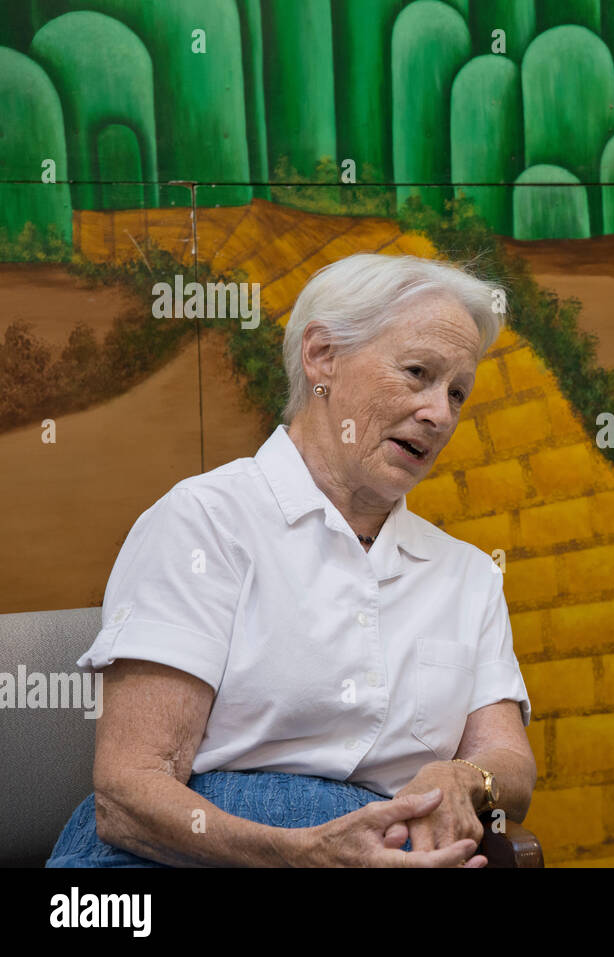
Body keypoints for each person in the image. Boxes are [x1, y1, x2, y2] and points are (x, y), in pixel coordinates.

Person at [47, 253, 536, 868]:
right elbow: (127, 796)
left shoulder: (468, 574)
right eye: (418, 373)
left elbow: (510, 764)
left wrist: (463, 777)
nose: (440, 414)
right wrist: (300, 854)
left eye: (457, 393)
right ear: (322, 357)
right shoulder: (203, 523)